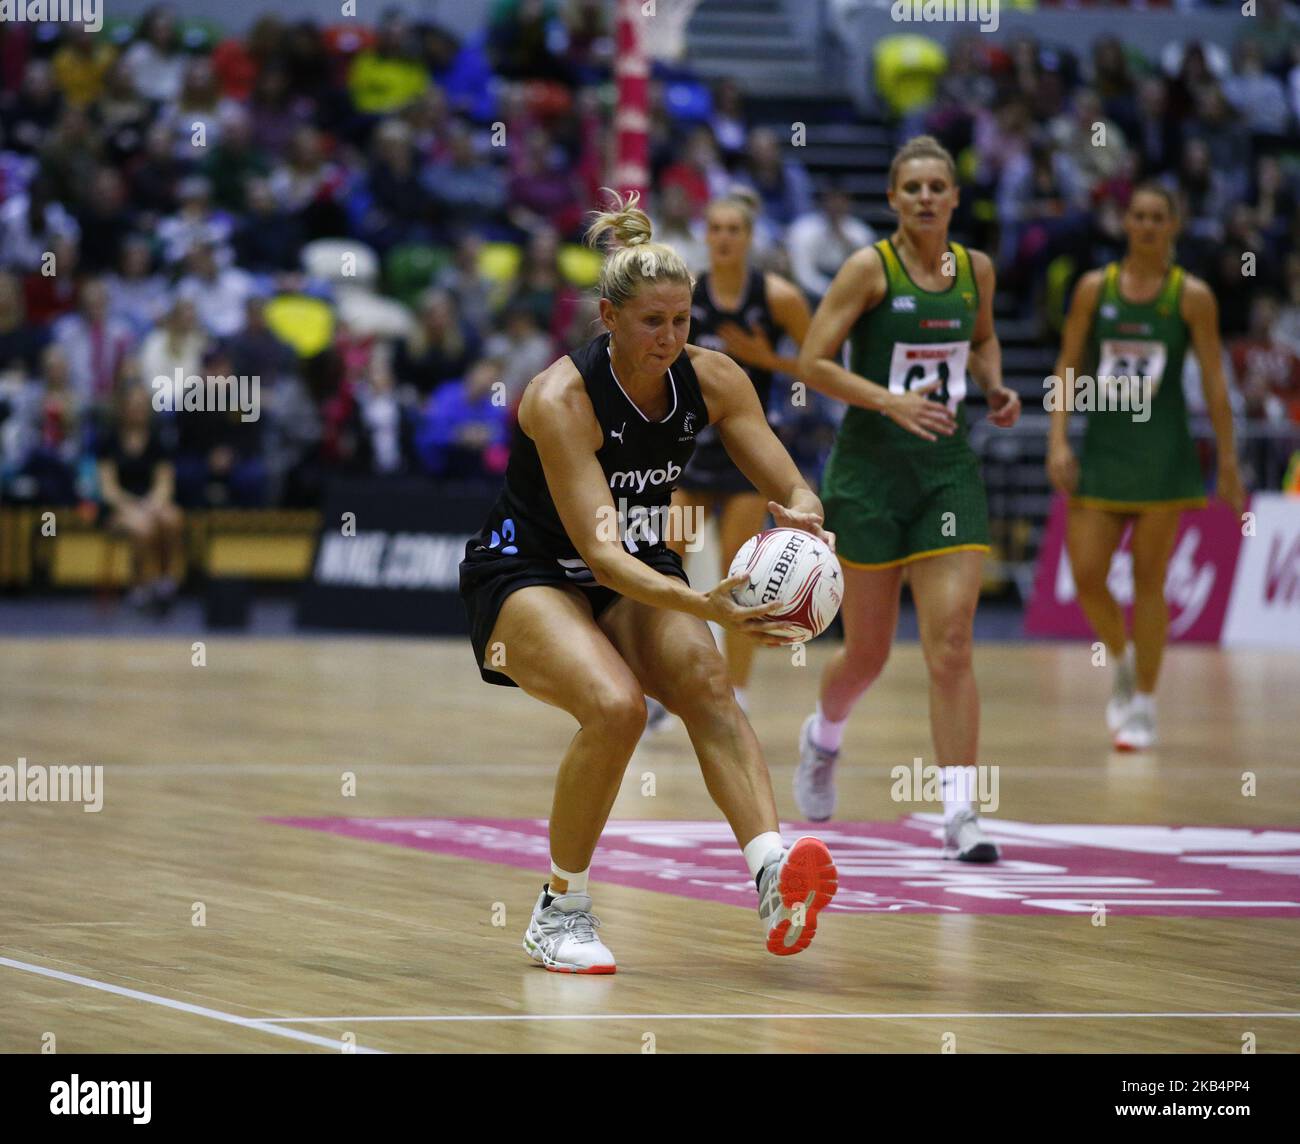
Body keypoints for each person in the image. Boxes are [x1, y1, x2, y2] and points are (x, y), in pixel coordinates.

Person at [458, 190, 839, 973]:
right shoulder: (560, 398)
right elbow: (600, 560)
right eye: (651, 322)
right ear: (609, 318)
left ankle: (771, 871)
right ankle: (559, 910)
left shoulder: (717, 379)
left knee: (704, 679)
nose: (670, 337)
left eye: (682, 320)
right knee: (615, 707)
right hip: (528, 568)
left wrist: (803, 517)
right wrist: (704, 603)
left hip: (637, 561)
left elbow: (795, 487)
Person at [793, 136, 1022, 861]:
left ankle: (961, 813)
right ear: (893, 200)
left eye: (937, 187)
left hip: (946, 471)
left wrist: (993, 384)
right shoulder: (870, 269)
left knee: (952, 642)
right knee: (866, 656)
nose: (925, 197)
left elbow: (981, 340)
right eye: (912, 187)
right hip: (867, 473)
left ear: (955, 198)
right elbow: (814, 362)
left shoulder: (975, 271)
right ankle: (823, 738)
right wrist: (888, 401)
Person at [1047, 184, 1245, 750]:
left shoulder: (1192, 297)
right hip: (1103, 453)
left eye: (1159, 217)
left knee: (1148, 581)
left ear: (1174, 226)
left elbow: (1213, 381)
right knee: (1087, 574)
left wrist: (1227, 461)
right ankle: (1126, 659)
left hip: (1164, 458)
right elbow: (1067, 363)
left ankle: (1145, 704)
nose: (1148, 225)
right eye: (1138, 216)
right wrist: (1058, 439)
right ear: (1124, 223)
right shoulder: (1094, 288)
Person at [666, 191, 812, 718]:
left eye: (735, 229)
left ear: (749, 239)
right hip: (686, 445)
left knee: (741, 576)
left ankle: (739, 695)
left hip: (748, 453)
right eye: (717, 228)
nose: (724, 237)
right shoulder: (684, 294)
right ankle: (660, 686)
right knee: (664, 568)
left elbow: (821, 367)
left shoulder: (776, 297)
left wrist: (763, 358)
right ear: (706, 235)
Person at [97, 383, 184, 611]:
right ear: (123, 409)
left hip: (150, 502)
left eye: (142, 406)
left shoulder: (157, 441)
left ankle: (165, 582)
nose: (138, 410)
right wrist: (133, 508)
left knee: (172, 518)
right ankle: (140, 586)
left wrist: (151, 504)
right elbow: (109, 489)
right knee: (142, 527)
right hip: (119, 508)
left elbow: (165, 483)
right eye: (133, 406)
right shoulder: (109, 440)